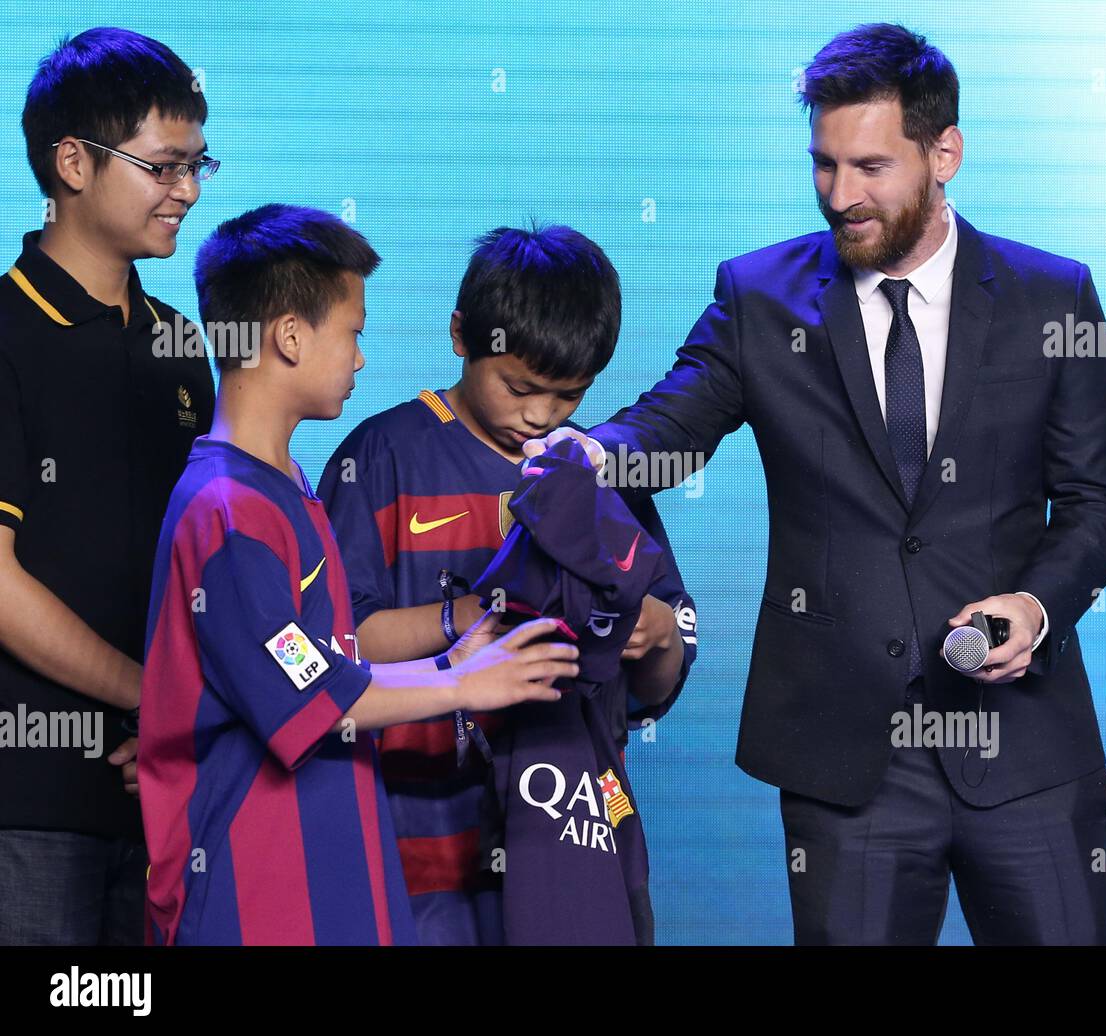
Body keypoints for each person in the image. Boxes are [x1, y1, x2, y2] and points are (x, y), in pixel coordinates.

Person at [528, 23, 1106, 945]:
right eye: (823, 165)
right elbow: (671, 428)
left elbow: (1096, 504)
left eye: (869, 167)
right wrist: (595, 455)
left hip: (1025, 751)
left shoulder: (1055, 298)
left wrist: (1039, 607)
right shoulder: (757, 295)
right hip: (846, 761)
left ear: (945, 154)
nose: (840, 196)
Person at [138, 204, 573, 944]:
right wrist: (462, 684)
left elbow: (325, 669)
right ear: (289, 337)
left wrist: (447, 660)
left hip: (333, 875)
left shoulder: (285, 488)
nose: (362, 358)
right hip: (253, 896)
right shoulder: (227, 511)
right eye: (355, 332)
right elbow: (307, 698)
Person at [318, 224, 696, 944]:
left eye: (567, 395)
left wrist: (652, 632)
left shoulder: (597, 469)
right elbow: (340, 645)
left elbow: (659, 679)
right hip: (415, 849)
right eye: (520, 388)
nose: (540, 416)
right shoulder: (381, 456)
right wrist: (477, 617)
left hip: (572, 843)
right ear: (462, 335)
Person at [0, 28, 216, 945]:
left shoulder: (180, 340)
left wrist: (185, 721)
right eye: (164, 166)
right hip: (32, 798)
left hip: (168, 789)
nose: (190, 192)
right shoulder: (8, 329)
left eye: (201, 165)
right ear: (73, 163)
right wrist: (148, 693)